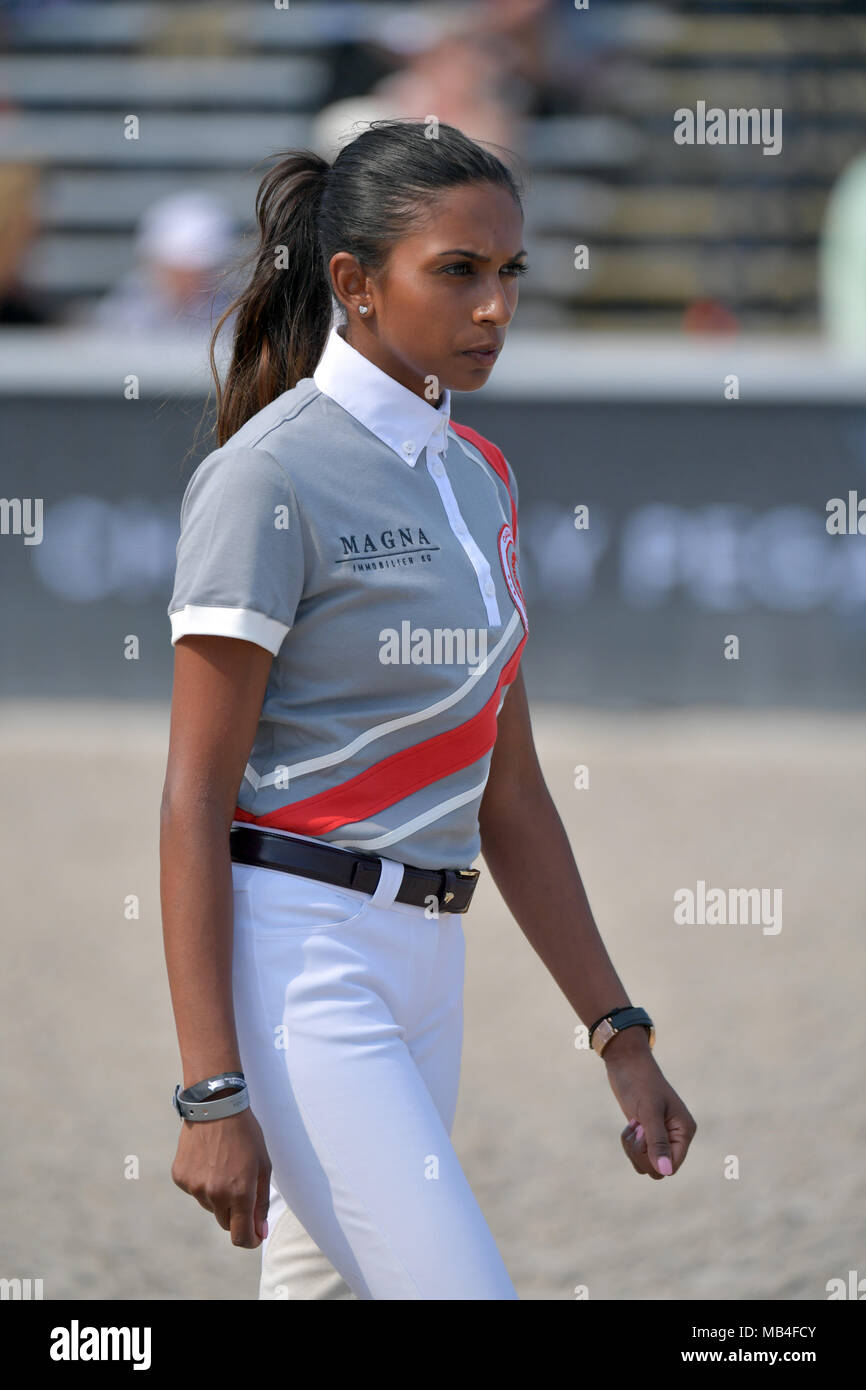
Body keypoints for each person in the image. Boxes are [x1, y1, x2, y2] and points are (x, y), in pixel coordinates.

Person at [160, 118, 697, 1301]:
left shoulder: (481, 474)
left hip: (429, 961)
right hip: (304, 961)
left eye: (508, 271)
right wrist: (210, 1090)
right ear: (351, 282)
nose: (495, 305)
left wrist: (620, 1032)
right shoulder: (264, 476)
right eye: (456, 271)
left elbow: (507, 789)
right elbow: (196, 792)